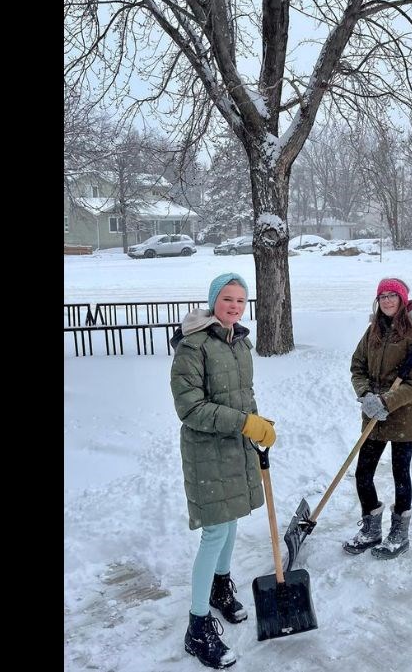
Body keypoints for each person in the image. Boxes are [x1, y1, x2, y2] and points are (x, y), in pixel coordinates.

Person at [170, 272, 276, 669]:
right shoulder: (193, 345)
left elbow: (244, 395)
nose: (234, 306)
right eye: (227, 298)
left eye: (241, 300)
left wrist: (258, 423)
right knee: (215, 531)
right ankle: (197, 628)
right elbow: (191, 408)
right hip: (206, 451)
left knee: (230, 523)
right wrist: (245, 423)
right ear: (213, 300)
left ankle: (219, 587)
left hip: (234, 446)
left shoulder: (239, 342)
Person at [343, 277, 412, 560]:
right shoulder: (373, 332)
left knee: (400, 475)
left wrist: (386, 401)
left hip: (404, 417)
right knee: (363, 473)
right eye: (383, 296)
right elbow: (357, 366)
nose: (388, 301)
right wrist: (366, 395)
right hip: (373, 415)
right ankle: (371, 529)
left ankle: (399, 535)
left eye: (393, 295)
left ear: (402, 300)